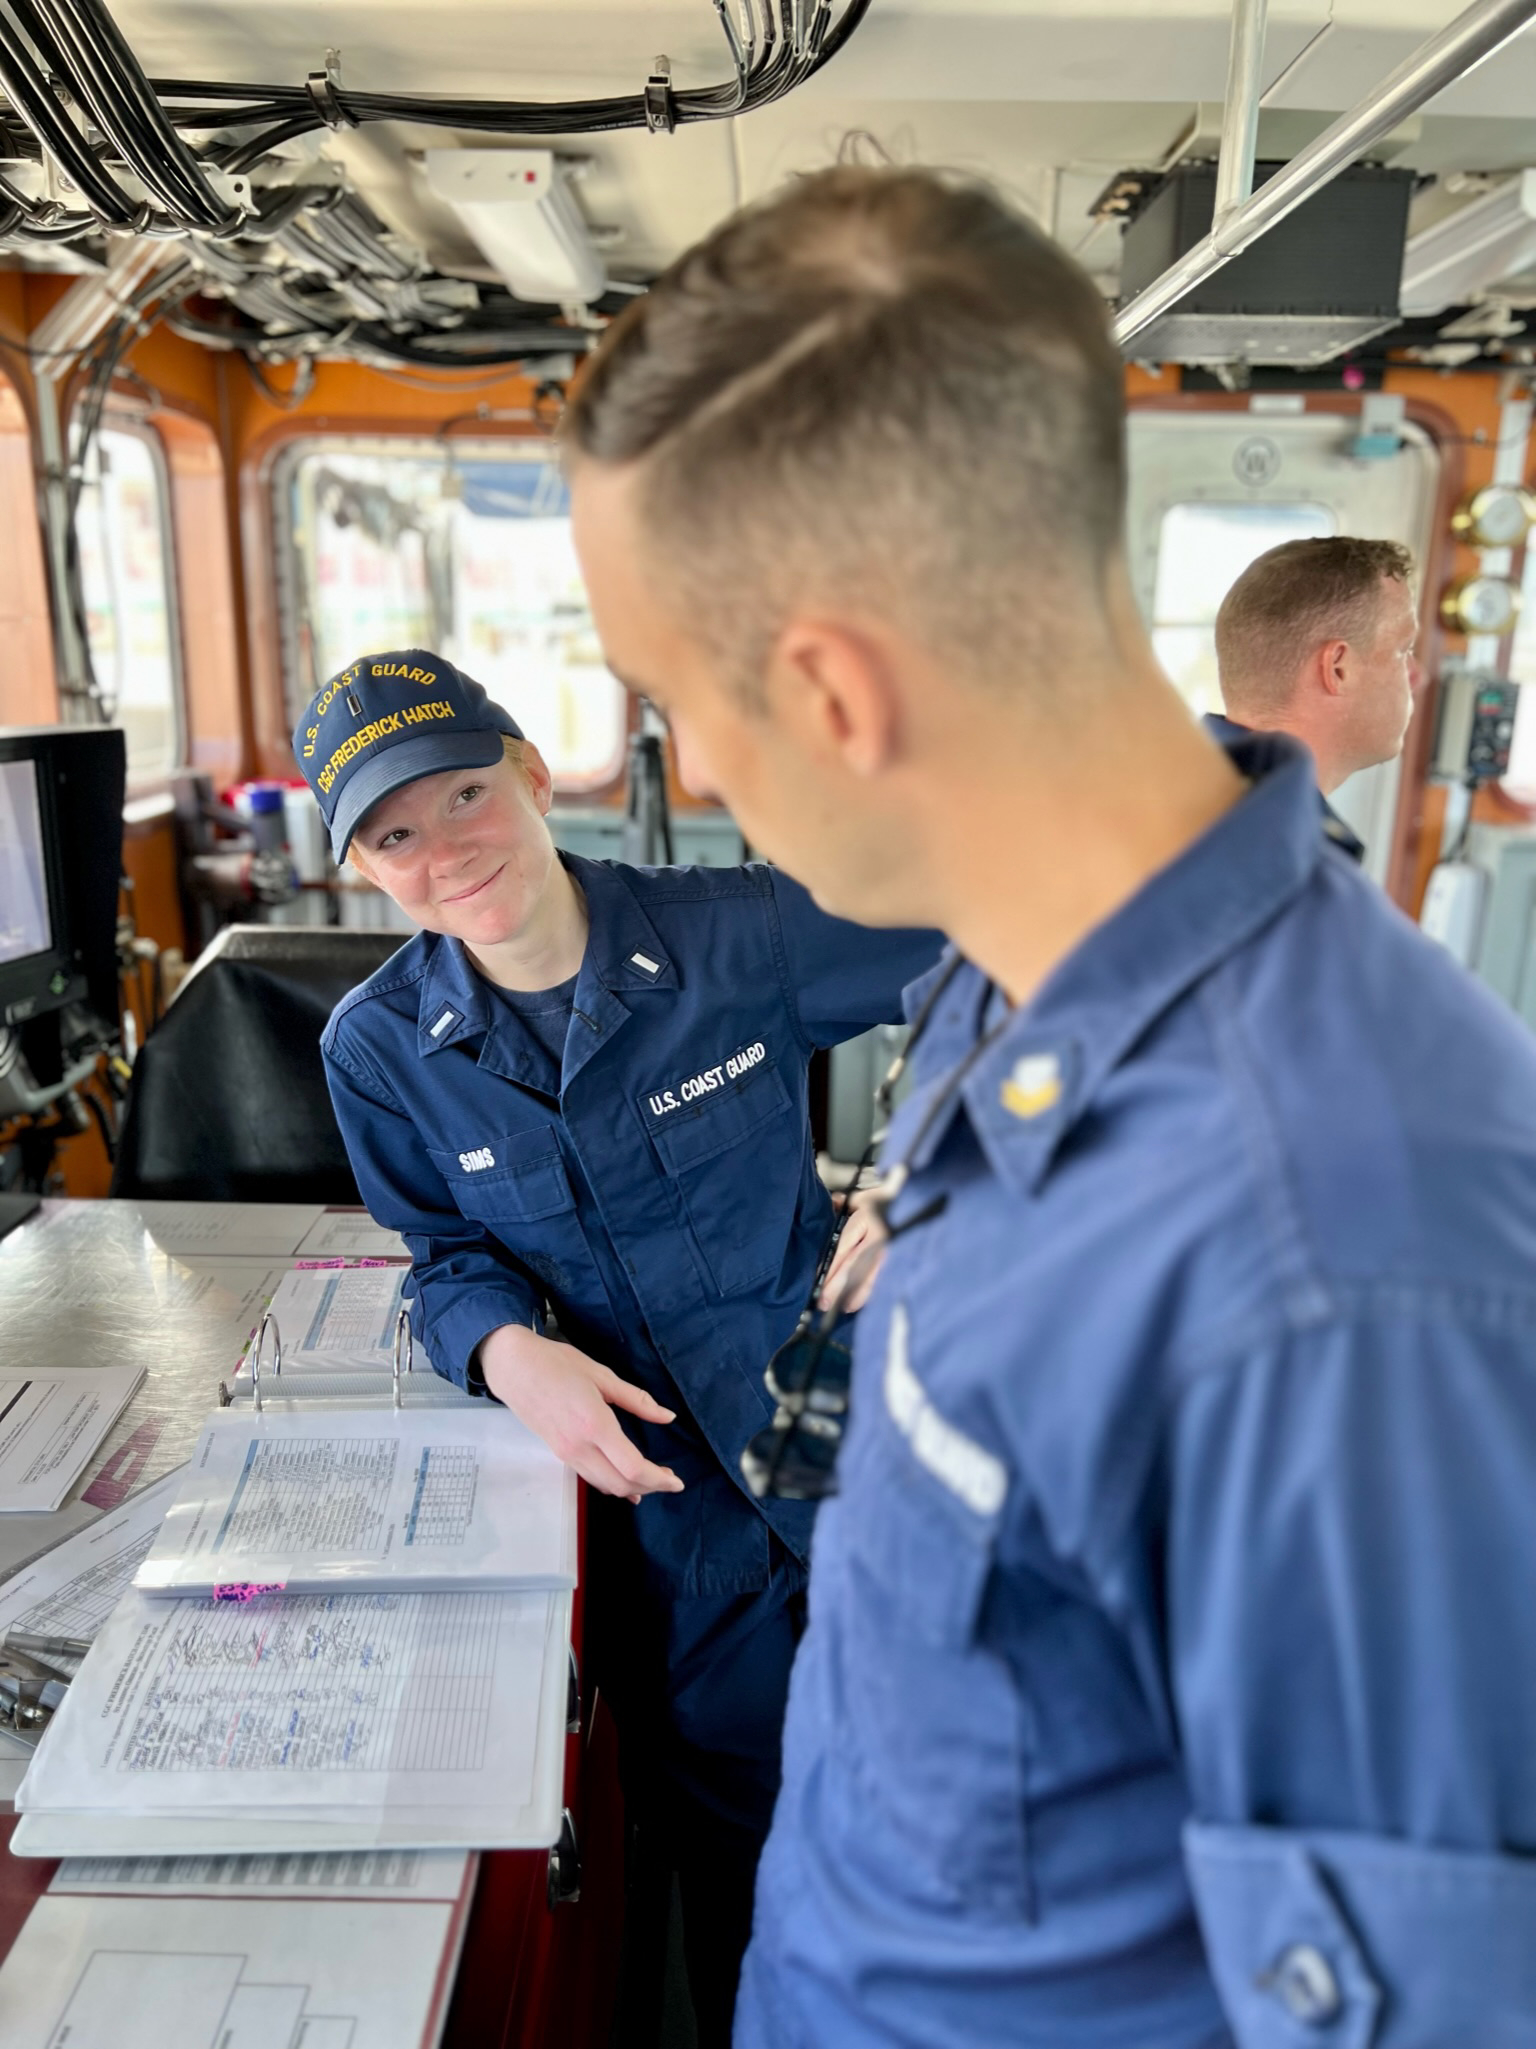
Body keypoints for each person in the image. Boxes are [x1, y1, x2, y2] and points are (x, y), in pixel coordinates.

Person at [564, 166, 1536, 2047]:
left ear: (832, 694)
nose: (693, 767)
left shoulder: (1341, 1247)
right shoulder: (1017, 964)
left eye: (674, 697)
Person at [292, 648, 940, 2045]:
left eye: (464, 792)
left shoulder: (740, 933)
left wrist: (932, 1161)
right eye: (394, 833)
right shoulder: (380, 1048)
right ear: (363, 868)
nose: (445, 849)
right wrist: (505, 1351)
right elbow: (443, 1255)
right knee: (734, 1872)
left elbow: (1023, 938)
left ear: (531, 770)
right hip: (656, 1537)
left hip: (851, 1465)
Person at [1210, 535, 1421, 862]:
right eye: (1403, 651)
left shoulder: (1172, 790)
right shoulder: (1294, 860)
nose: (1417, 676)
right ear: (1338, 669)